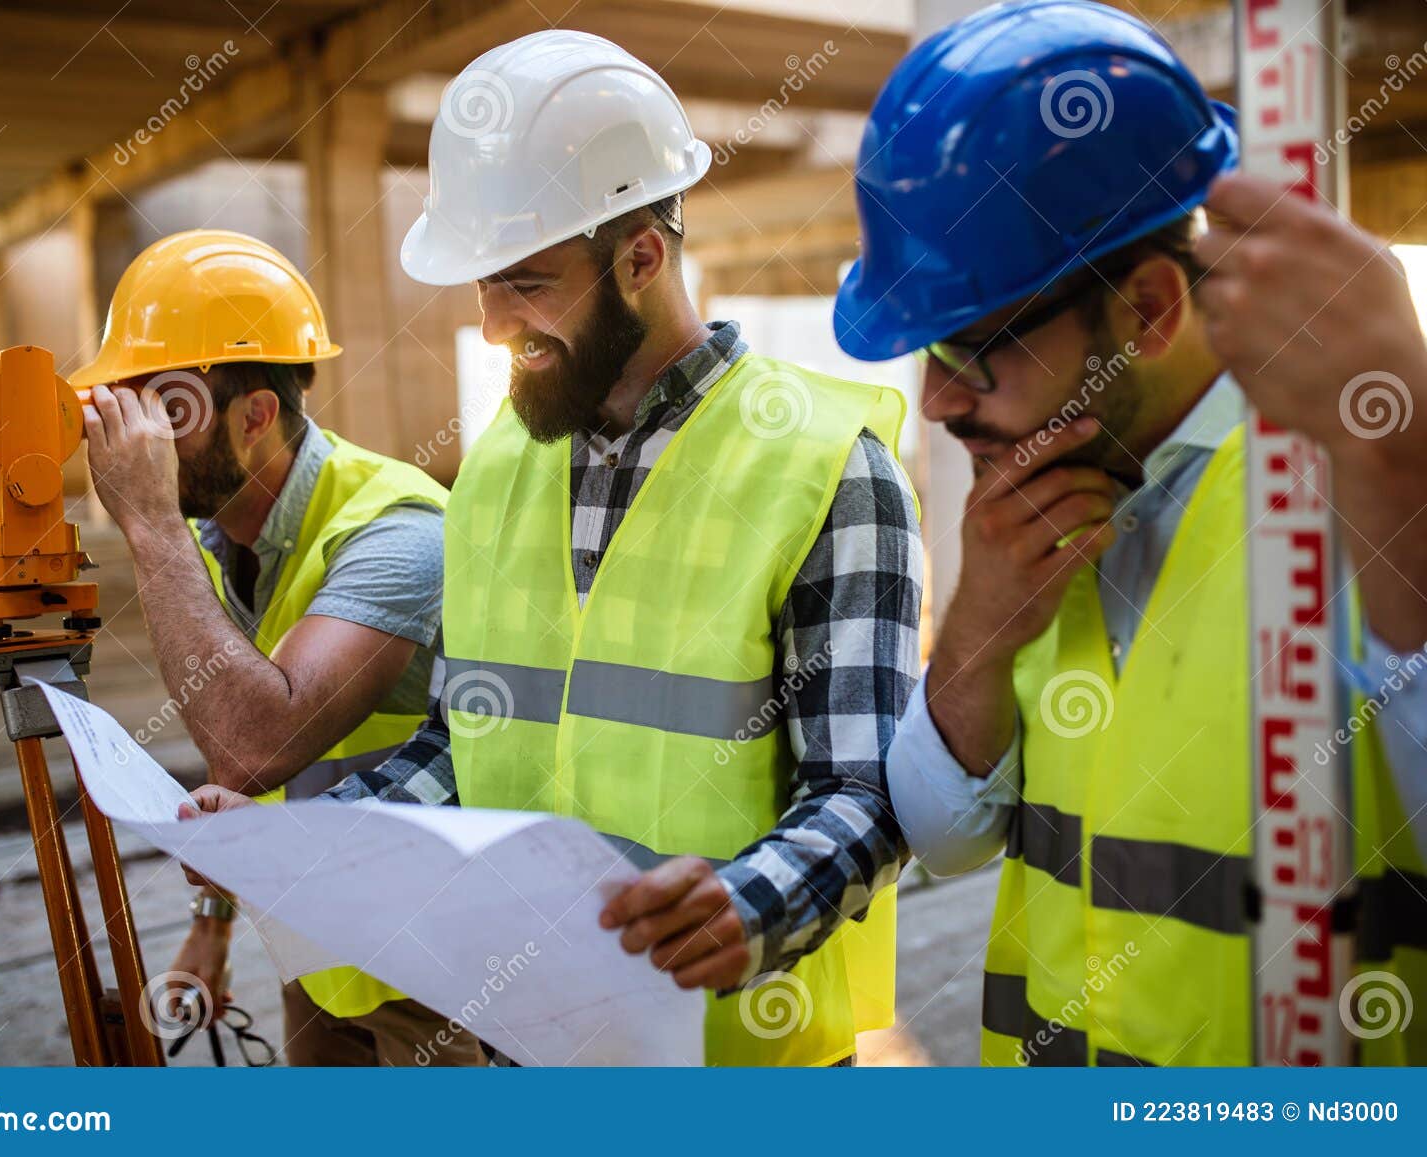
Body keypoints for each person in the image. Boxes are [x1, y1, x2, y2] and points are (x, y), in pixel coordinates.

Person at [183, 30, 923, 1066]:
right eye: (481, 285)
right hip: (526, 1044)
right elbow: (464, 744)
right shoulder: (495, 470)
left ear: (641, 256)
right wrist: (302, 844)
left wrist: (742, 906)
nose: (491, 324)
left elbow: (868, 790)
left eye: (525, 283)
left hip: (742, 1060)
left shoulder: (823, 467)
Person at [836, 0, 1427, 1065]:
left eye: (971, 351)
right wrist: (977, 627)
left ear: (1149, 309)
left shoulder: (1349, 488)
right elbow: (944, 837)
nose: (933, 403)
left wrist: (1399, 468)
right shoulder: (1039, 504)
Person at [72, 230, 482, 1066]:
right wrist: (214, 928)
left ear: (256, 416)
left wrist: (148, 521)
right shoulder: (220, 535)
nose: (137, 437)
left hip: (432, 963)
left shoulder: (394, 532)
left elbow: (253, 738)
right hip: (320, 943)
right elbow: (244, 749)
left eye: (165, 409)